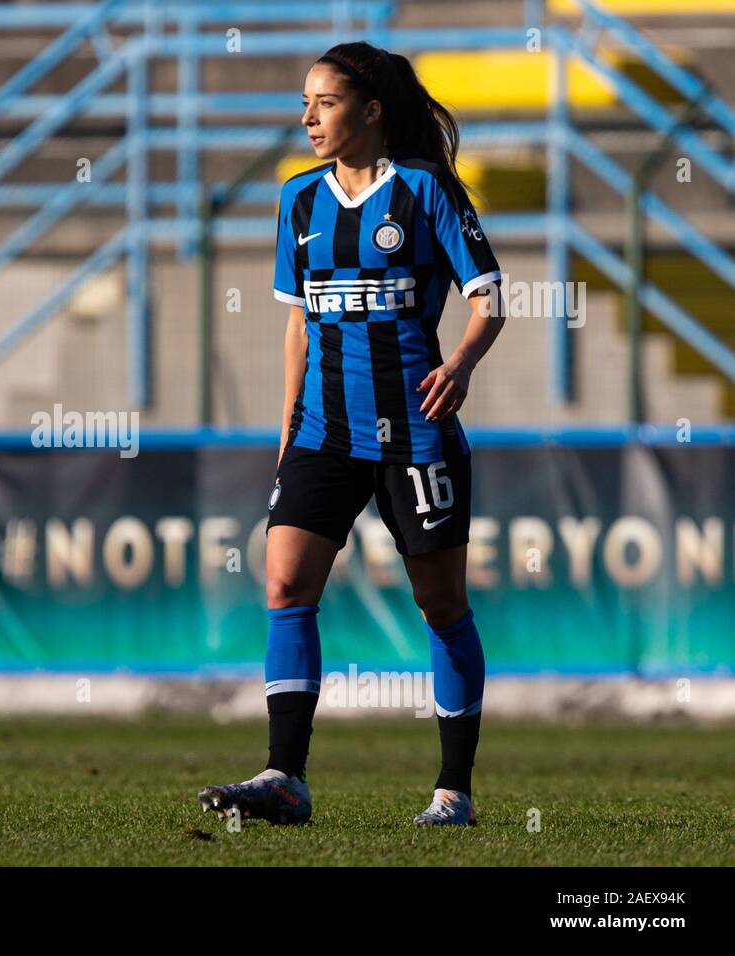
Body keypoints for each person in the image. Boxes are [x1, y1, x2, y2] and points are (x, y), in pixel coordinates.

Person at [198, 41, 505, 827]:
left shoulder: (426, 190)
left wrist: (463, 365)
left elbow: (489, 297)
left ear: (370, 111)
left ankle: (453, 791)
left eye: (324, 103)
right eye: (304, 103)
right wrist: (287, 426)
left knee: (440, 605)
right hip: (323, 431)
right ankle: (285, 777)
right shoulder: (297, 203)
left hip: (415, 432)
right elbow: (300, 324)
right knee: (285, 586)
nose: (307, 118)